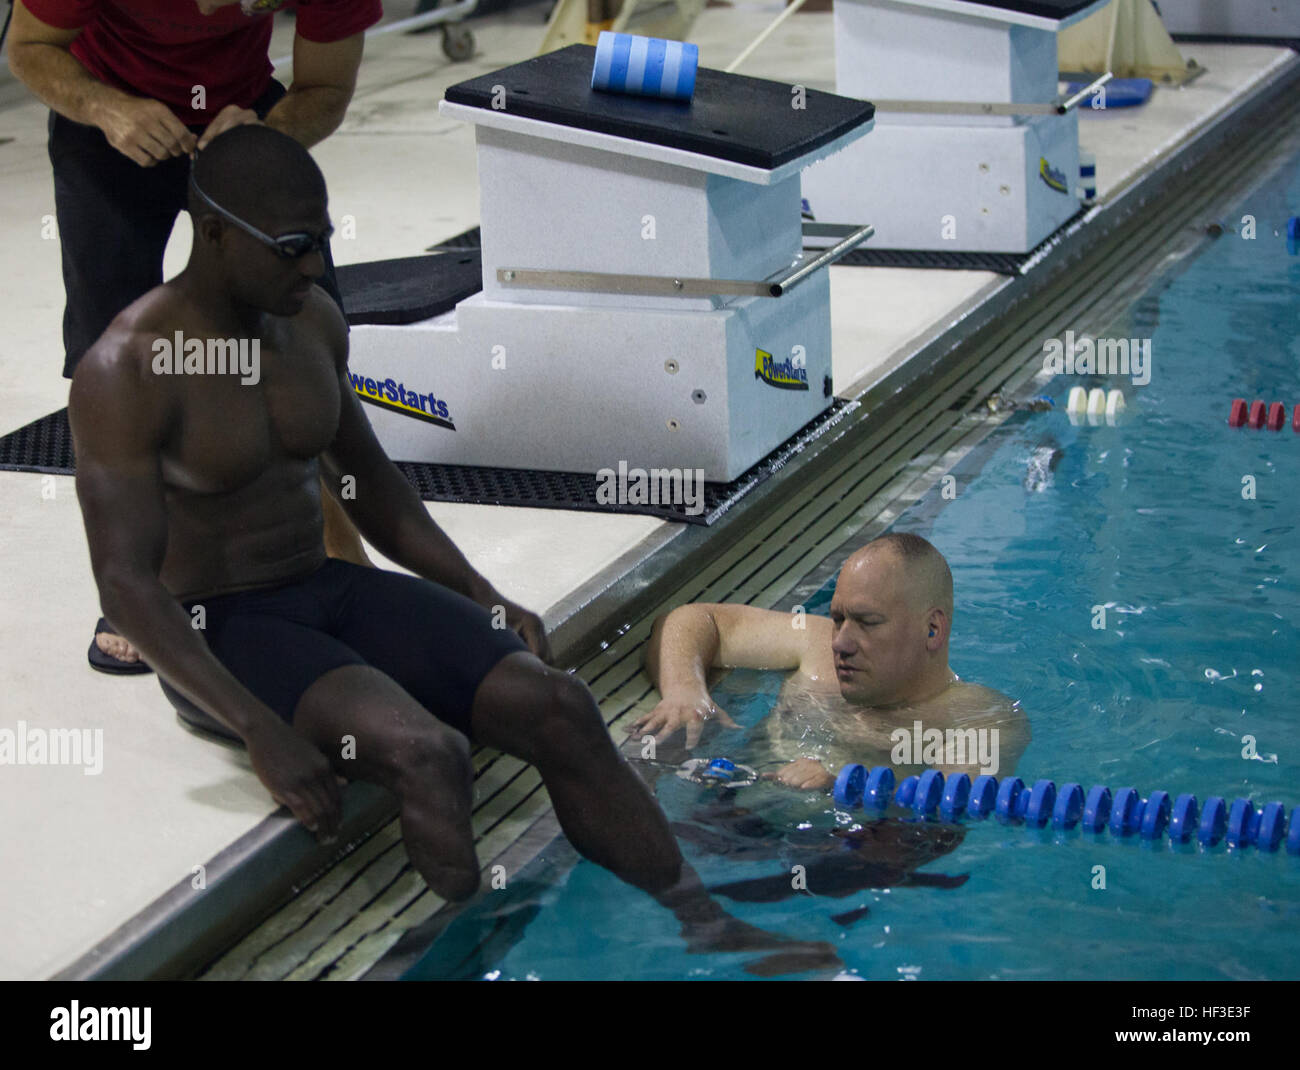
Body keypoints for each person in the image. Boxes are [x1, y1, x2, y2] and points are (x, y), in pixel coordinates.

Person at [68, 125, 837, 975]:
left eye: (323, 241)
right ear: (211, 233)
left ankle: (706, 925)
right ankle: (487, 954)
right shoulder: (128, 368)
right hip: (225, 626)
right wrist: (257, 729)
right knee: (427, 755)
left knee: (562, 706)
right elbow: (127, 587)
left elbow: (370, 484)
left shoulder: (312, 322)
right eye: (293, 248)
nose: (315, 268)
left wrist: (478, 589)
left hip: (323, 586)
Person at [6, 0, 382, 672]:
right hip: (105, 109)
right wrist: (106, 108)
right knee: (115, 366)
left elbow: (325, 87)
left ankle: (340, 552)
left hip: (242, 109)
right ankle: (139, 586)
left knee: (303, 325)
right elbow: (29, 47)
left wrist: (269, 132)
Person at [637, 532, 1029, 786]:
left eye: (867, 622)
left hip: (840, 861)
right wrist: (685, 689)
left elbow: (944, 808)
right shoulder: (815, 644)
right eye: (839, 617)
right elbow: (694, 620)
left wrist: (839, 782)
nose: (840, 641)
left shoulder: (979, 719)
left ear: (932, 630)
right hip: (724, 815)